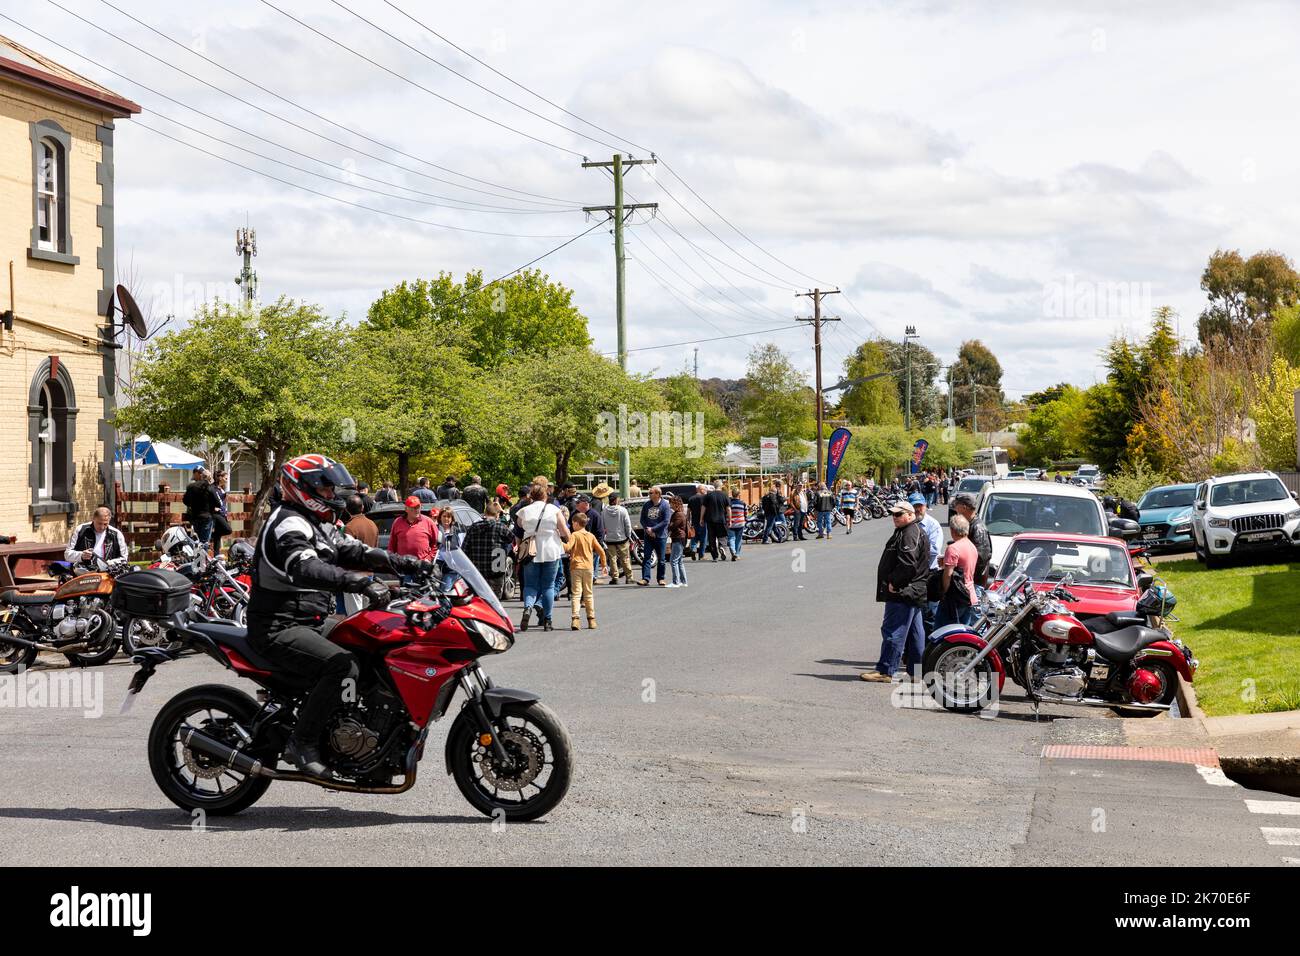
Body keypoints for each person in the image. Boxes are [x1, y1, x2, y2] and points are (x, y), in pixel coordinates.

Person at [247, 454, 429, 777]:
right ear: (303, 488)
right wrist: (360, 581)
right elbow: (307, 568)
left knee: (372, 641)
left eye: (332, 489)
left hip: (310, 622)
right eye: (326, 489)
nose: (332, 495)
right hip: (278, 626)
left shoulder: (318, 524)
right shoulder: (288, 522)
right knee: (341, 664)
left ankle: (368, 738)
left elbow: (356, 551)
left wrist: (409, 565)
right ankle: (302, 743)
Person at [862, 499, 929, 683]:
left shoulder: (910, 532)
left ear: (910, 514)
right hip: (912, 590)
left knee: (893, 630)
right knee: (915, 633)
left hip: (904, 591)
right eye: (893, 514)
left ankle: (885, 670)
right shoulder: (907, 531)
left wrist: (894, 582)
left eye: (899, 514)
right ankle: (916, 671)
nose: (895, 517)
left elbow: (908, 563)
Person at [516, 484, 569, 631]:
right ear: (545, 495)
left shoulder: (524, 511)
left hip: (531, 551)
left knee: (530, 585)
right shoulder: (554, 510)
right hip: (551, 549)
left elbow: (519, 526)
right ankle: (548, 619)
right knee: (548, 586)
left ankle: (528, 607)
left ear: (531, 496)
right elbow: (564, 531)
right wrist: (570, 542)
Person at [463, 500, 515, 598]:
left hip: (477, 568)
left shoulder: (474, 527)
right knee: (495, 599)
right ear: (497, 515)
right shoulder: (500, 526)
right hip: (497, 567)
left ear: (485, 513)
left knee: (479, 598)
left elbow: (465, 548)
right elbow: (511, 539)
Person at [564, 512, 607, 629]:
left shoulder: (574, 535)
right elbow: (601, 551)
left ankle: (575, 620)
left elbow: (568, 548)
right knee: (588, 593)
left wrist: (559, 542)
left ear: (577, 523)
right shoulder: (591, 536)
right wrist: (603, 565)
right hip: (588, 567)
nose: (572, 525)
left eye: (573, 523)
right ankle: (591, 620)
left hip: (576, 567)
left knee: (576, 594)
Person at [936, 514, 978, 630]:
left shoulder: (953, 548)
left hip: (955, 598)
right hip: (969, 595)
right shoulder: (971, 546)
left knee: (941, 633)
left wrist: (943, 593)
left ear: (952, 530)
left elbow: (948, 575)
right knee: (963, 634)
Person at [912, 492, 943, 635]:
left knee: (929, 615)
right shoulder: (908, 524)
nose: (918, 509)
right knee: (914, 616)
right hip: (912, 577)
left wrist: (912, 554)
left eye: (920, 506)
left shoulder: (933, 525)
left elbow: (934, 550)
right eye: (914, 506)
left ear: (925, 506)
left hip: (929, 575)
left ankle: (929, 650)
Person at [950, 493, 993, 588]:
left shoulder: (978, 528)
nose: (955, 509)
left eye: (956, 505)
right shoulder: (969, 524)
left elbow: (981, 558)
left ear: (964, 507)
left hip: (974, 582)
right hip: (968, 580)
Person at [637, 486, 670, 586]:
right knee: (646, 557)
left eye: (651, 493)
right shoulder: (647, 505)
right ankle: (645, 579)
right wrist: (647, 529)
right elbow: (642, 519)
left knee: (662, 559)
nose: (649, 494)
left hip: (660, 536)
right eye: (649, 492)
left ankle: (661, 579)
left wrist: (654, 529)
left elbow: (666, 521)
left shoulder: (665, 505)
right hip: (648, 535)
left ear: (658, 494)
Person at [388, 496, 438, 561]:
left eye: (418, 507)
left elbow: (436, 544)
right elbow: (391, 546)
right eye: (413, 508)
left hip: (422, 566)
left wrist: (428, 559)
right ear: (406, 509)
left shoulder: (428, 522)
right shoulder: (397, 522)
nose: (416, 510)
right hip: (402, 566)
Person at [183, 467, 221, 548]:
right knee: (204, 542)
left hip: (195, 517)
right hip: (207, 517)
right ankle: (203, 560)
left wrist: (192, 505)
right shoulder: (210, 487)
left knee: (196, 541)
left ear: (200, 475)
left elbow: (185, 501)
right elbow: (218, 503)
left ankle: (197, 559)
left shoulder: (191, 487)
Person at [602, 493, 634, 584]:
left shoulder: (604, 511)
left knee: (612, 558)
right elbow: (628, 524)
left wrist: (605, 535)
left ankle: (615, 577)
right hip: (622, 537)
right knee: (625, 558)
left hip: (609, 538)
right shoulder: (623, 510)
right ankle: (629, 577)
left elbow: (603, 524)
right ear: (616, 500)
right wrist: (628, 535)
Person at [704, 480, 731, 561]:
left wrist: (701, 518)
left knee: (712, 538)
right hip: (721, 520)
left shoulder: (708, 495)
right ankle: (722, 547)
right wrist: (730, 520)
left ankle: (714, 556)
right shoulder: (725, 495)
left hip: (710, 520)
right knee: (723, 536)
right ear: (721, 486)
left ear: (713, 486)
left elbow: (703, 508)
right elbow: (728, 509)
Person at [667, 494, 689, 588]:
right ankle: (683, 581)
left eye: (671, 503)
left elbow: (673, 526)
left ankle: (676, 582)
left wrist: (669, 525)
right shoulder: (680, 513)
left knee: (673, 560)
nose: (670, 505)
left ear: (675, 503)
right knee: (679, 561)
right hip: (680, 538)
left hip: (678, 538)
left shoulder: (678, 514)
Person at [211, 469, 232, 557]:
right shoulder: (212, 488)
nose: (227, 480)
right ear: (220, 478)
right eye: (226, 478)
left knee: (218, 536)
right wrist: (212, 508)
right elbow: (208, 499)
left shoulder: (222, 488)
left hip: (222, 513)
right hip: (216, 514)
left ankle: (216, 555)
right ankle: (210, 535)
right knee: (228, 530)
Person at [686, 485, 708, 560]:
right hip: (703, 521)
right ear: (701, 490)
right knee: (703, 539)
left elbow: (688, 511)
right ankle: (701, 556)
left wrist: (688, 521)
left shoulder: (691, 498)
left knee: (694, 537)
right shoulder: (704, 498)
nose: (706, 491)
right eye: (705, 489)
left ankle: (693, 549)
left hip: (694, 522)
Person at [727, 486, 747, 560]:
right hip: (740, 523)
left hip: (731, 523)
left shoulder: (729, 503)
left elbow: (726, 512)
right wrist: (745, 519)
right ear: (739, 494)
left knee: (731, 538)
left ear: (732, 494)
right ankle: (737, 554)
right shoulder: (743, 503)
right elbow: (746, 513)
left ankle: (733, 550)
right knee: (738, 539)